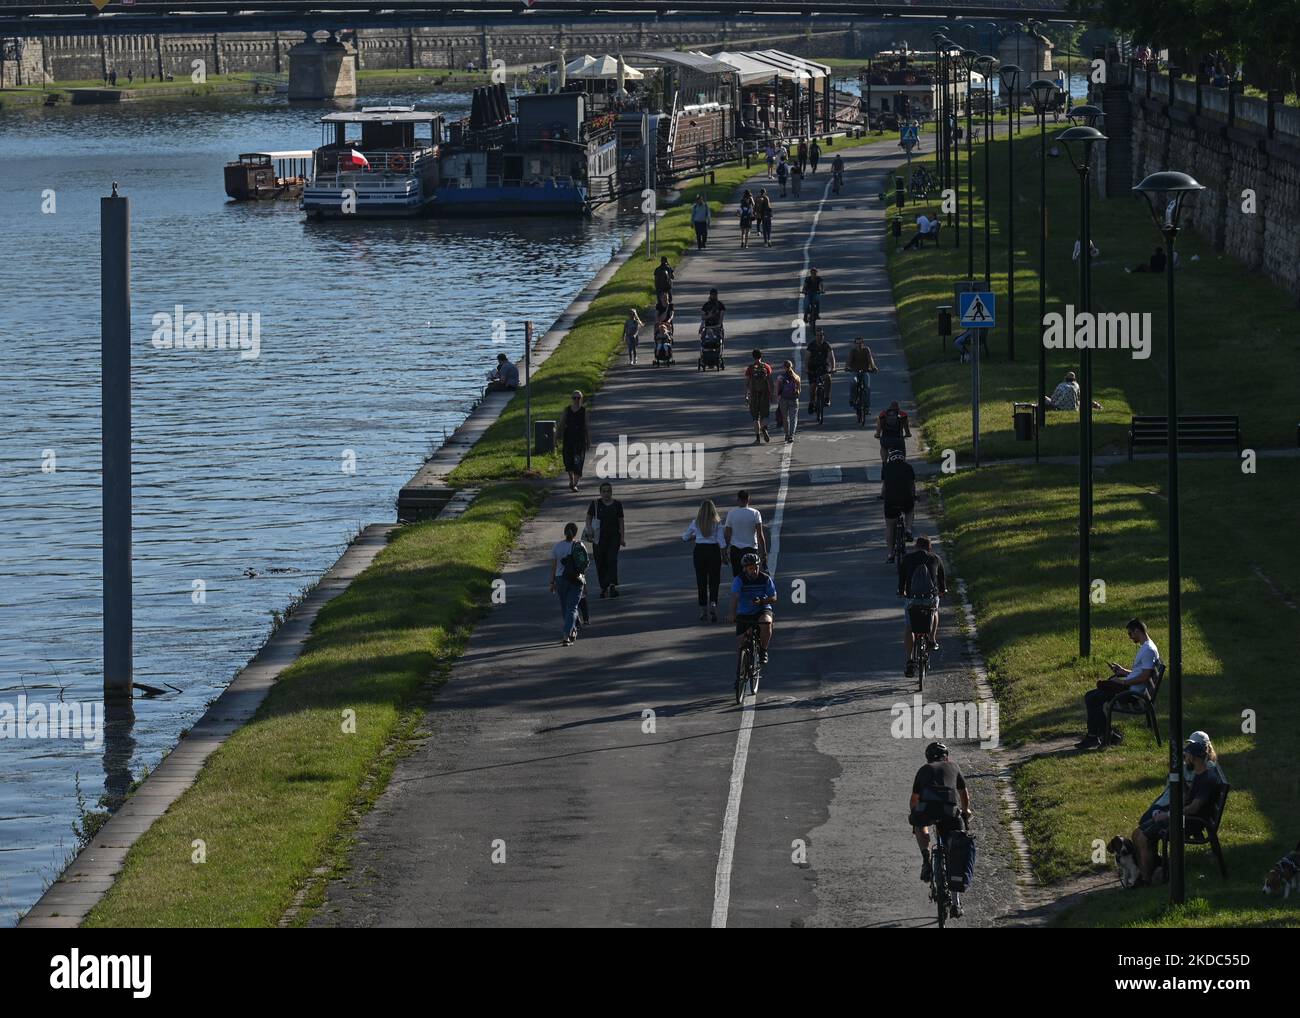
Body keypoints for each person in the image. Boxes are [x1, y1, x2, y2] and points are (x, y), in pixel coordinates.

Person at [1131, 738, 1225, 883]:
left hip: (1188, 822)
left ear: (1193, 757)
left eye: (1186, 754)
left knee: (1142, 837)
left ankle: (1146, 879)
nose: (1185, 757)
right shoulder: (1201, 773)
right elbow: (1188, 799)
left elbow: (1194, 807)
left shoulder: (1206, 779)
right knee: (1137, 833)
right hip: (1185, 818)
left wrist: (1168, 814)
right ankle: (1150, 868)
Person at [909, 742, 971, 917]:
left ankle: (926, 858)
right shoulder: (954, 767)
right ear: (947, 757)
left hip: (927, 810)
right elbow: (964, 795)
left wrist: (915, 816)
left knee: (920, 824)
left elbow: (914, 800)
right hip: (949, 812)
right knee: (954, 853)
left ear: (928, 758)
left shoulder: (923, 770)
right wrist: (965, 811)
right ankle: (956, 903)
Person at [1078, 618, 1160, 750]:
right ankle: (1102, 735)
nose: (1129, 637)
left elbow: (1144, 676)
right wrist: (1123, 671)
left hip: (1133, 694)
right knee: (1091, 696)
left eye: (1130, 634)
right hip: (1130, 689)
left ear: (1137, 631)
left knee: (1093, 698)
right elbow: (1140, 672)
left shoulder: (1148, 650)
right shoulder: (1146, 647)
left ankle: (1099, 736)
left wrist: (1123, 682)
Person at [898, 535, 946, 677]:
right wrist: (942, 591)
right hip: (930, 599)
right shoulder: (936, 558)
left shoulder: (907, 559)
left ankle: (910, 660)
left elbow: (901, 582)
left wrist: (902, 592)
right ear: (930, 547)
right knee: (934, 610)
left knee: (909, 626)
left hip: (912, 599)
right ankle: (931, 639)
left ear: (915, 547)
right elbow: (942, 583)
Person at [682, 498, 727, 621]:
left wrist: (694, 537)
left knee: (701, 580)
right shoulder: (717, 522)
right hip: (713, 551)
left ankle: (703, 609)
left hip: (700, 551)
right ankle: (713, 602)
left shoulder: (696, 522)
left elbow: (684, 537)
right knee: (714, 579)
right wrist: (724, 555)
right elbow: (721, 541)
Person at [729, 552, 777, 665]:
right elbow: (735, 597)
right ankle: (742, 670)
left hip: (762, 609)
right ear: (745, 569)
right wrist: (732, 613)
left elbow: (774, 597)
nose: (754, 571)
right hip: (744, 612)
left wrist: (762, 601)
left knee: (766, 622)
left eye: (756, 567)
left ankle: (763, 650)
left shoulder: (765, 579)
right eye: (751, 568)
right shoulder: (739, 580)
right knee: (741, 643)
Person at [585, 482, 626, 598]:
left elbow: (621, 522)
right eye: (604, 491)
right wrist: (589, 529)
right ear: (600, 492)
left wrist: (622, 537)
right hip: (598, 538)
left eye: (608, 491)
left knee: (612, 560)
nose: (606, 493)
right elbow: (588, 518)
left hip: (614, 537)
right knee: (600, 561)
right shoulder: (595, 504)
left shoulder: (617, 504)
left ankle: (612, 585)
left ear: (612, 492)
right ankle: (604, 587)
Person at [549, 522, 588, 646]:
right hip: (576, 580)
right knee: (572, 608)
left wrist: (552, 582)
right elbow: (584, 565)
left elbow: (554, 567)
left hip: (561, 580)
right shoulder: (579, 545)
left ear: (564, 532)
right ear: (575, 533)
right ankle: (568, 634)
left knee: (566, 608)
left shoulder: (557, 547)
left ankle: (571, 631)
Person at [881, 448, 916, 563]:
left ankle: (890, 554)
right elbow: (912, 486)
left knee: (890, 526)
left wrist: (882, 496)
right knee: (910, 510)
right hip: (906, 499)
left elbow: (885, 487)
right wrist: (913, 496)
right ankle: (909, 529)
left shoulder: (886, 468)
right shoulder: (908, 467)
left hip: (891, 501)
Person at [724, 490, 766, 578]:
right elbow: (759, 534)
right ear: (748, 500)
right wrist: (764, 552)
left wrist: (724, 551)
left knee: (737, 576)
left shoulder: (731, 513)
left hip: (735, 550)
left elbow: (728, 534)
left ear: (738, 500)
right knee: (752, 575)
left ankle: (739, 591)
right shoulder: (755, 513)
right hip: (751, 549)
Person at [875, 401, 911, 494]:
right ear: (898, 408)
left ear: (889, 407)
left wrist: (877, 434)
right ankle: (902, 466)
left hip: (886, 440)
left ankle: (884, 463)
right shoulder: (903, 415)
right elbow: (906, 429)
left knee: (883, 448)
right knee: (903, 457)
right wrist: (907, 434)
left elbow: (878, 428)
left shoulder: (883, 414)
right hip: (898, 440)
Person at [560, 390, 590, 492]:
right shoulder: (567, 410)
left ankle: (575, 484)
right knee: (568, 460)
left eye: (578, 398)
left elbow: (586, 427)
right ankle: (571, 479)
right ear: (572, 399)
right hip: (568, 438)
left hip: (579, 440)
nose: (576, 400)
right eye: (574, 398)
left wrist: (588, 440)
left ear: (581, 399)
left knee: (578, 461)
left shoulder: (584, 411)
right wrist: (555, 437)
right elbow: (561, 424)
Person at [744, 348, 774, 444]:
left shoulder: (750, 368)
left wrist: (746, 396)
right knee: (765, 415)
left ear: (753, 357)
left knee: (755, 417)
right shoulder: (767, 367)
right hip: (764, 394)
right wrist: (772, 394)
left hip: (754, 395)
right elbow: (771, 382)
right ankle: (764, 428)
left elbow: (747, 383)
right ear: (761, 356)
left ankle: (757, 438)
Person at [803, 328, 836, 411]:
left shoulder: (826, 345)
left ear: (823, 336)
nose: (819, 337)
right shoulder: (811, 345)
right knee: (813, 386)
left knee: (828, 377)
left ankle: (827, 398)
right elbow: (807, 358)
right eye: (818, 335)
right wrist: (806, 368)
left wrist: (833, 368)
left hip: (824, 367)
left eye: (821, 335)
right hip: (813, 367)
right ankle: (811, 402)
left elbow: (832, 357)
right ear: (815, 336)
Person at [845, 337, 879, 414]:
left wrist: (873, 367)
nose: (859, 345)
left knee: (867, 387)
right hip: (855, 371)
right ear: (855, 344)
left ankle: (867, 407)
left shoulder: (866, 350)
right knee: (853, 382)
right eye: (857, 343)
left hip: (865, 371)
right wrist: (847, 367)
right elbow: (849, 360)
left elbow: (870, 359)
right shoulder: (852, 351)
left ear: (863, 343)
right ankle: (852, 399)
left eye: (860, 343)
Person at [775, 359, 801, 443]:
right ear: (791, 366)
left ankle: (786, 435)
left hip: (784, 399)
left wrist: (777, 398)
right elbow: (799, 390)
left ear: (784, 367)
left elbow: (778, 390)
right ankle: (791, 435)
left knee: (785, 418)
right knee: (794, 418)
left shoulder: (780, 377)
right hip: (793, 399)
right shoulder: (797, 377)